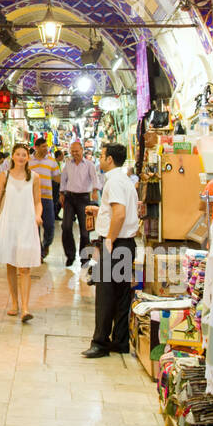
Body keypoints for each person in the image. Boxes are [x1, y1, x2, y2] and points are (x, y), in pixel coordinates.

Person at [81, 143, 140, 359]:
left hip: (116, 244)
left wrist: (109, 240)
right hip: (127, 243)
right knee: (121, 294)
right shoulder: (125, 180)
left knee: (105, 295)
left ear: (110, 159)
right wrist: (102, 211)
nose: (99, 158)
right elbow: (118, 211)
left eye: (102, 155)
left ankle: (100, 343)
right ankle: (120, 341)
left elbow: (120, 214)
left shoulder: (114, 181)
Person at [0, 144, 42, 322]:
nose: (21, 157)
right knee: (11, 265)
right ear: (12, 156)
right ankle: (14, 303)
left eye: (24, 154)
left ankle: (26, 307)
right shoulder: (4, 176)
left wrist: (38, 216)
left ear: (28, 158)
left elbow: (38, 202)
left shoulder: (34, 177)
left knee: (25, 267)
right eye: (18, 154)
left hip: (27, 224)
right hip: (9, 223)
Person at [59, 140, 99, 269]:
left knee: (85, 231)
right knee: (66, 227)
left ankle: (84, 258)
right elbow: (63, 179)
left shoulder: (89, 165)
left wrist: (94, 191)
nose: (75, 153)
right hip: (69, 198)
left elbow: (95, 179)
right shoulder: (67, 164)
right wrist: (61, 194)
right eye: (73, 151)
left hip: (84, 199)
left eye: (77, 151)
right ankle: (70, 255)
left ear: (82, 150)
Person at [30, 136, 59, 260]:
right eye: (43, 146)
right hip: (32, 198)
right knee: (34, 226)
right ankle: (39, 252)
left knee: (49, 225)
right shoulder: (29, 161)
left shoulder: (52, 161)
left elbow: (58, 178)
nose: (46, 148)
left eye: (46, 146)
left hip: (47, 198)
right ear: (36, 147)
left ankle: (46, 244)